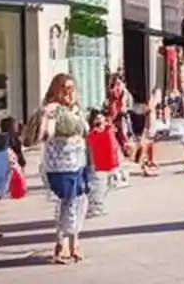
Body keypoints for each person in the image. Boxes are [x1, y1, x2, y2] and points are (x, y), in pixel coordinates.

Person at [34, 73, 89, 264]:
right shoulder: (53, 109)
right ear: (56, 90)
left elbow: (85, 131)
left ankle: (72, 242)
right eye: (65, 88)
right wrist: (45, 120)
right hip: (60, 166)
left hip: (78, 163)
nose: (69, 92)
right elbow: (45, 135)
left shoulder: (76, 110)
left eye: (72, 88)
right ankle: (63, 244)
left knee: (77, 203)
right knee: (67, 204)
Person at [85, 110, 120, 217]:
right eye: (96, 119)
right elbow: (89, 151)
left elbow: (114, 148)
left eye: (101, 118)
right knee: (97, 188)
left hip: (110, 165)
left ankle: (96, 206)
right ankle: (94, 207)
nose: (99, 120)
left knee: (107, 187)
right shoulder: (91, 136)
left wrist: (117, 165)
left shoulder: (109, 131)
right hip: (98, 166)